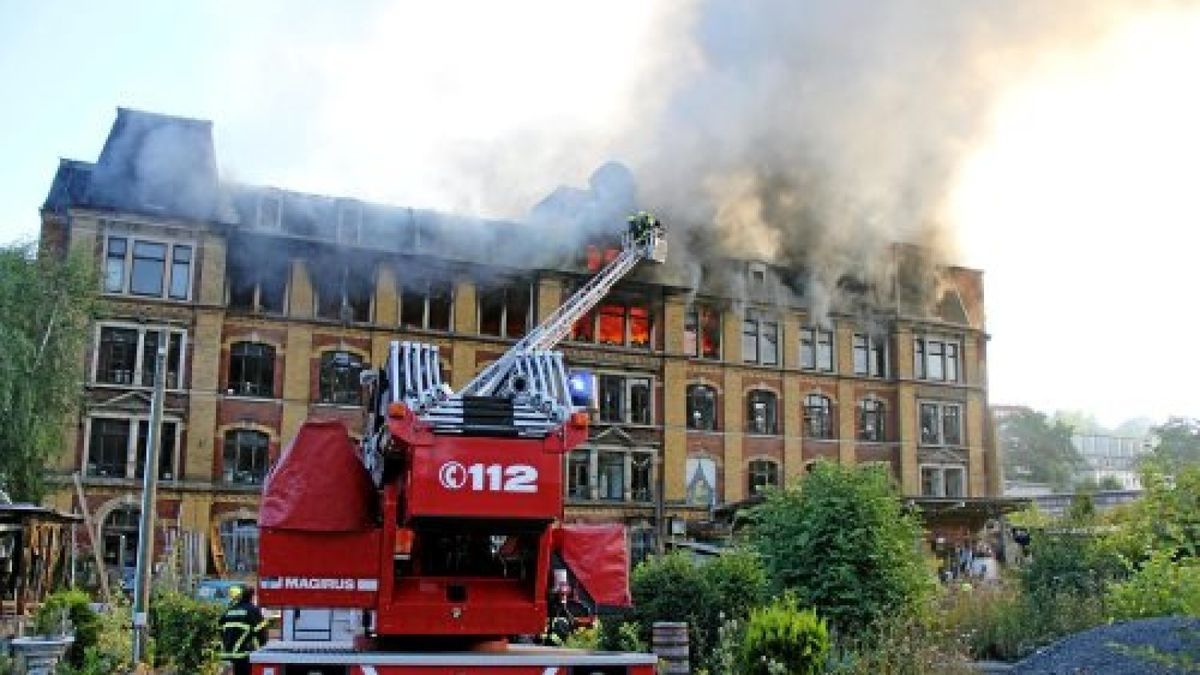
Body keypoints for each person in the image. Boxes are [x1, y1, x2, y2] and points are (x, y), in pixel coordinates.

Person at [218, 584, 268, 675]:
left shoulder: (229, 610)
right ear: (252, 596)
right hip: (243, 654)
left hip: (227, 652)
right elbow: (262, 634)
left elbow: (220, 629)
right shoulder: (253, 610)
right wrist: (263, 651)